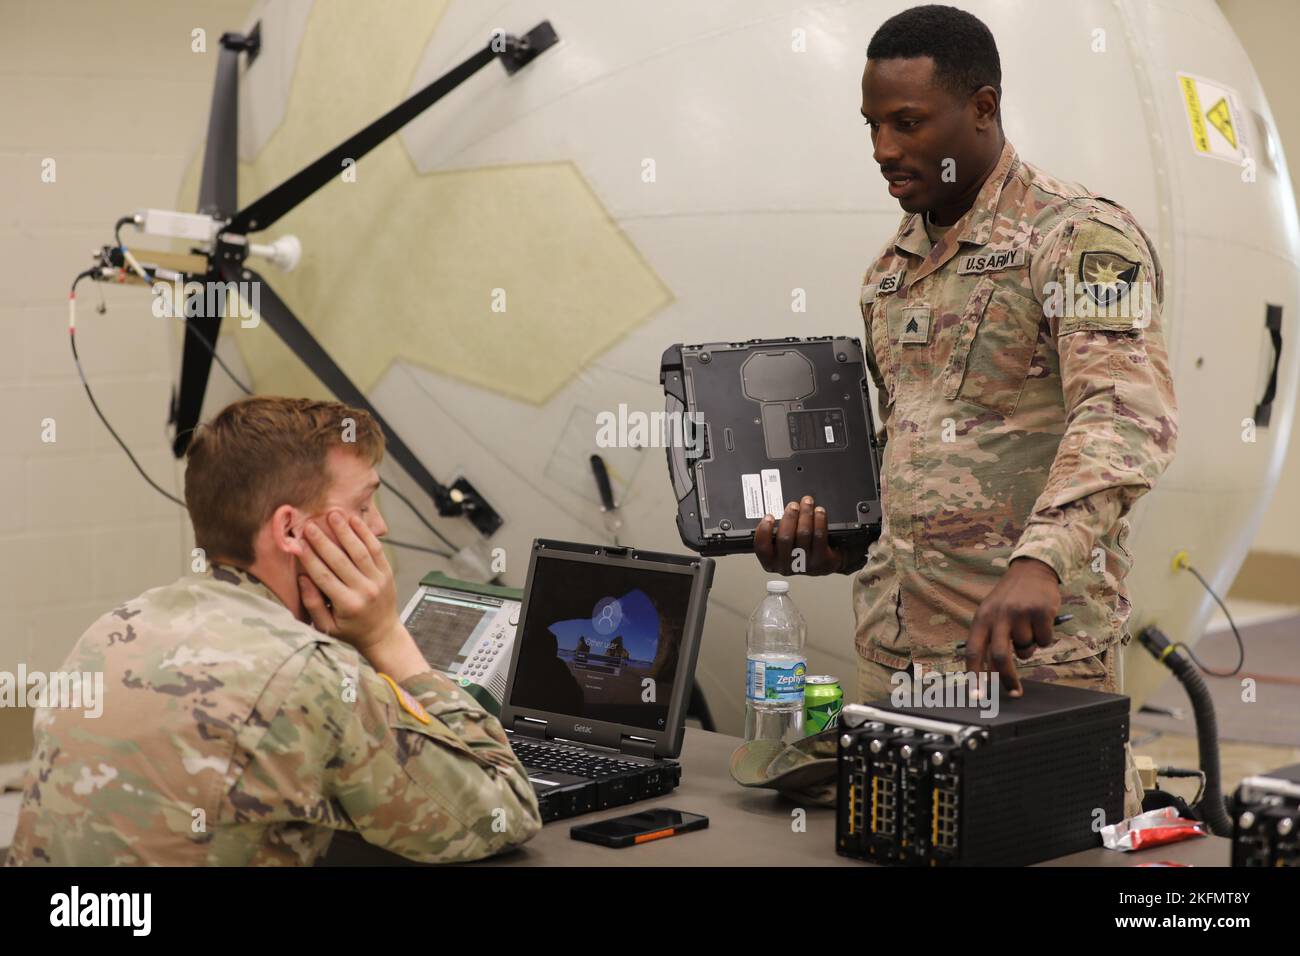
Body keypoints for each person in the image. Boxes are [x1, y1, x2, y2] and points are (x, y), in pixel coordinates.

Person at [754, 4, 1177, 819]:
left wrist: (1042, 561)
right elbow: (905, 453)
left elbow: (1124, 418)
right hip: (895, 656)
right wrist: (835, 540)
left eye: (907, 122)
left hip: (1025, 653)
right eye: (873, 124)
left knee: (1044, 841)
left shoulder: (1078, 235)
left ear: (982, 108)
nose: (883, 149)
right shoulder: (889, 271)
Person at [5, 396, 542, 865]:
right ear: (290, 529)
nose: (378, 527)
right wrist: (386, 641)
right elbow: (506, 812)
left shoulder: (111, 631)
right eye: (361, 505)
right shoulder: (308, 677)